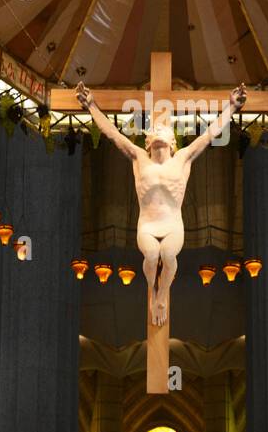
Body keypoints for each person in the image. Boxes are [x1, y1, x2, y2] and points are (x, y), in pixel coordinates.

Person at [75, 82, 247, 325]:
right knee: (152, 253)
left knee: (167, 253)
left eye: (163, 129)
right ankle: (152, 291)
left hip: (173, 225)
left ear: (172, 141)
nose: (158, 130)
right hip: (147, 225)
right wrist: (91, 105)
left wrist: (231, 107)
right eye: (154, 129)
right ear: (147, 141)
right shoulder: (138, 158)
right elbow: (112, 134)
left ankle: (162, 292)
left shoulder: (183, 158)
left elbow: (209, 135)